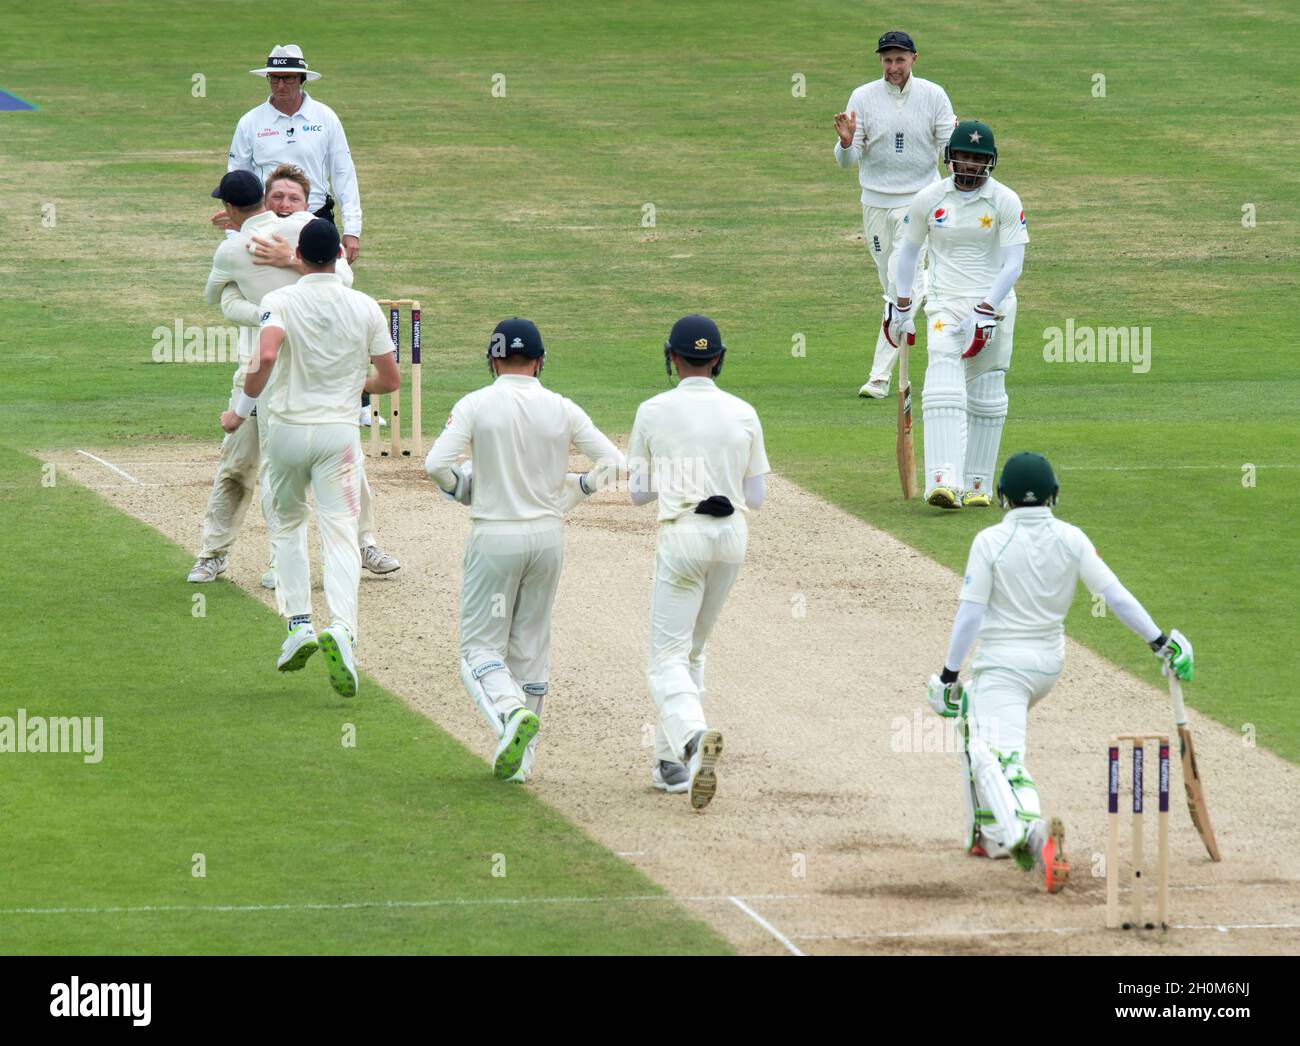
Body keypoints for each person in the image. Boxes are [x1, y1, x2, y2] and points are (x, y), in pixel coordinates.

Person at [926, 452, 1195, 893]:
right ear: (1054, 494)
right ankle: (990, 836)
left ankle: (1031, 837)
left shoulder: (990, 542)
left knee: (996, 759)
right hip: (1047, 665)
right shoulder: (1071, 538)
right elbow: (1116, 596)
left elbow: (970, 615)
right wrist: (1159, 641)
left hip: (1004, 667)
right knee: (973, 720)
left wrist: (948, 675)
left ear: (1002, 498)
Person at [424, 319, 622, 782]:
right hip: (547, 539)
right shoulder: (561, 407)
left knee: (478, 649)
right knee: (530, 647)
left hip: (495, 536)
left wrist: (461, 489)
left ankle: (511, 714)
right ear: (538, 361)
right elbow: (615, 463)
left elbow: (436, 465)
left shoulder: (476, 403)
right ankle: (523, 762)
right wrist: (578, 490)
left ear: (493, 360)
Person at [189, 170, 399, 585]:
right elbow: (223, 302)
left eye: (295, 197)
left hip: (313, 369)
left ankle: (363, 544)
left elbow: (343, 278)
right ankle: (213, 553)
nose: (286, 204)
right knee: (238, 464)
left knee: (341, 462)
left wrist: (291, 260)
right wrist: (265, 313)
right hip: (257, 368)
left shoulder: (306, 232)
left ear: (306, 204)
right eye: (278, 196)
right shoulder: (238, 247)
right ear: (266, 203)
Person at [219, 219, 399, 696]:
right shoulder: (364, 307)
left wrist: (240, 411)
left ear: (298, 256)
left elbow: (268, 353)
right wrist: (355, 387)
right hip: (338, 436)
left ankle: (299, 623)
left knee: (288, 527)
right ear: (339, 255)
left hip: (287, 434)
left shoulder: (280, 301)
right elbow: (390, 379)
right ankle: (342, 628)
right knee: (340, 533)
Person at [627, 316, 770, 810]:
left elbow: (638, 495)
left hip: (683, 534)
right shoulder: (744, 411)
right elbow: (757, 497)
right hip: (731, 538)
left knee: (664, 658)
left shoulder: (651, 410)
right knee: (691, 651)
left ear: (672, 358)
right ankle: (670, 764)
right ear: (719, 359)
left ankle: (692, 738)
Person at [888, 119, 1028, 509]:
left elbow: (1014, 264)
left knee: (987, 395)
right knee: (943, 384)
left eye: (978, 159)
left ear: (991, 162)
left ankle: (977, 484)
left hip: (994, 306)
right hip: (944, 303)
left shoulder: (1005, 200)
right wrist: (902, 304)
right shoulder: (929, 198)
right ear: (950, 157)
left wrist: (987, 307)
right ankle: (943, 480)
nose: (969, 165)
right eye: (963, 156)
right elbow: (908, 252)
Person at [833, 30, 955, 399]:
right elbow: (846, 163)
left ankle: (879, 377)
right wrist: (846, 142)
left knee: (901, 281)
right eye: (887, 60)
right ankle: (931, 283)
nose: (893, 67)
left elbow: (950, 153)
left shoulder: (934, 95)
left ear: (914, 59)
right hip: (874, 203)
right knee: (895, 285)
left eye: (900, 60)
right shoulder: (863, 97)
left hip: (919, 200)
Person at [223, 44, 362, 263]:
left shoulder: (325, 118)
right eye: (274, 78)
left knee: (322, 287)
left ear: (301, 79)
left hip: (316, 219)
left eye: (287, 78)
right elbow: (236, 178)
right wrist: (233, 232)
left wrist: (352, 229)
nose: (280, 85)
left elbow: (343, 172)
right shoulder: (250, 122)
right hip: (266, 221)